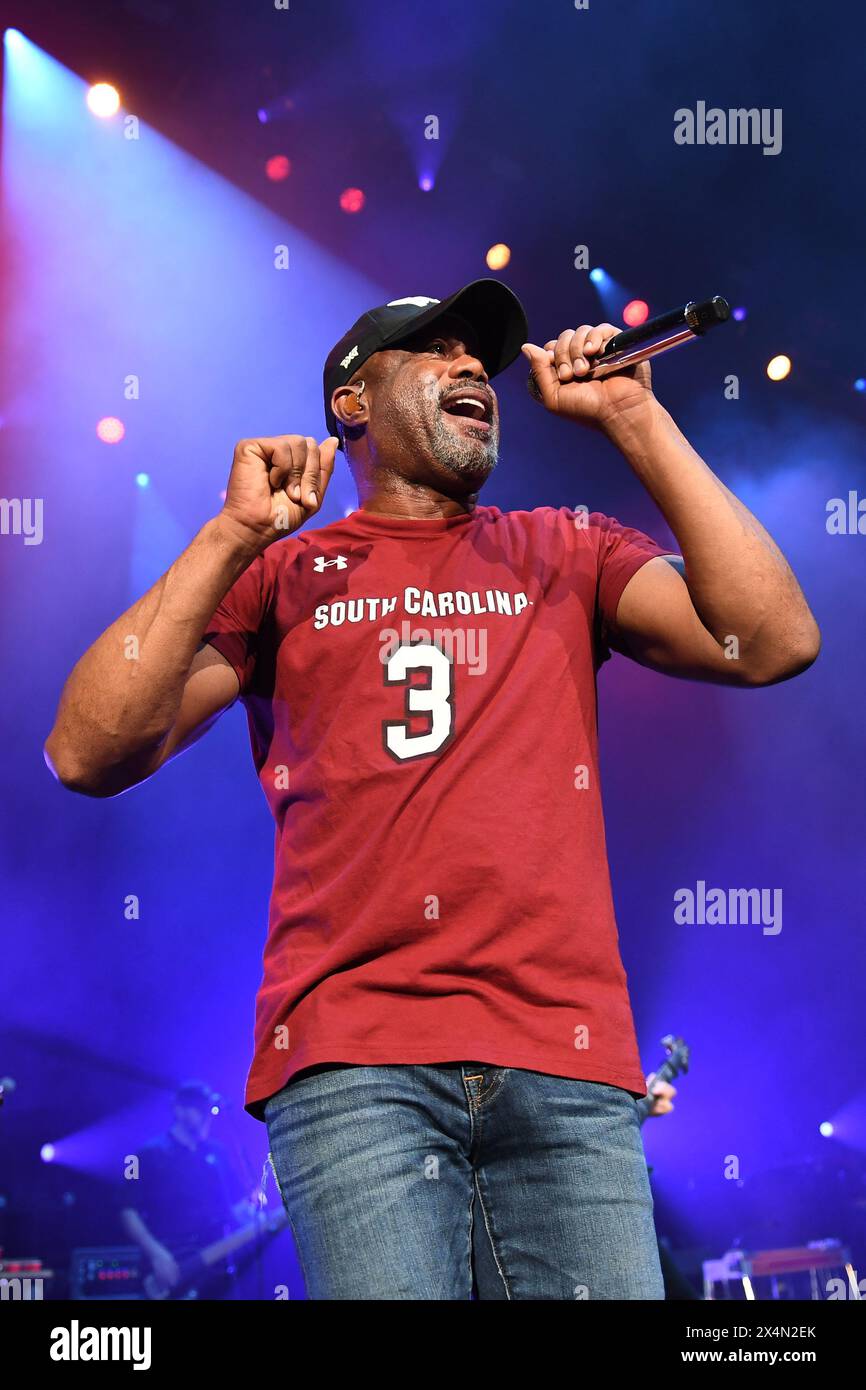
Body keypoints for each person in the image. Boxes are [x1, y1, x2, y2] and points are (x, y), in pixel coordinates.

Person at [46, 280, 820, 1300]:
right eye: (432, 352)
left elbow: (770, 641)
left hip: (566, 1060)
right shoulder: (284, 576)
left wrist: (635, 419)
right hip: (357, 1065)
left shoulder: (562, 548)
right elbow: (87, 751)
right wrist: (231, 535)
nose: (471, 369)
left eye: (476, 356)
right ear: (351, 403)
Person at [119, 1081, 247, 1298]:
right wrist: (157, 1254)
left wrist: (254, 1215)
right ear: (178, 1109)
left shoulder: (217, 1153)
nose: (207, 1116)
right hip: (173, 1258)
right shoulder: (147, 1154)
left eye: (208, 1110)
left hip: (218, 1262)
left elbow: (237, 1205)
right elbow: (127, 1209)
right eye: (199, 1109)